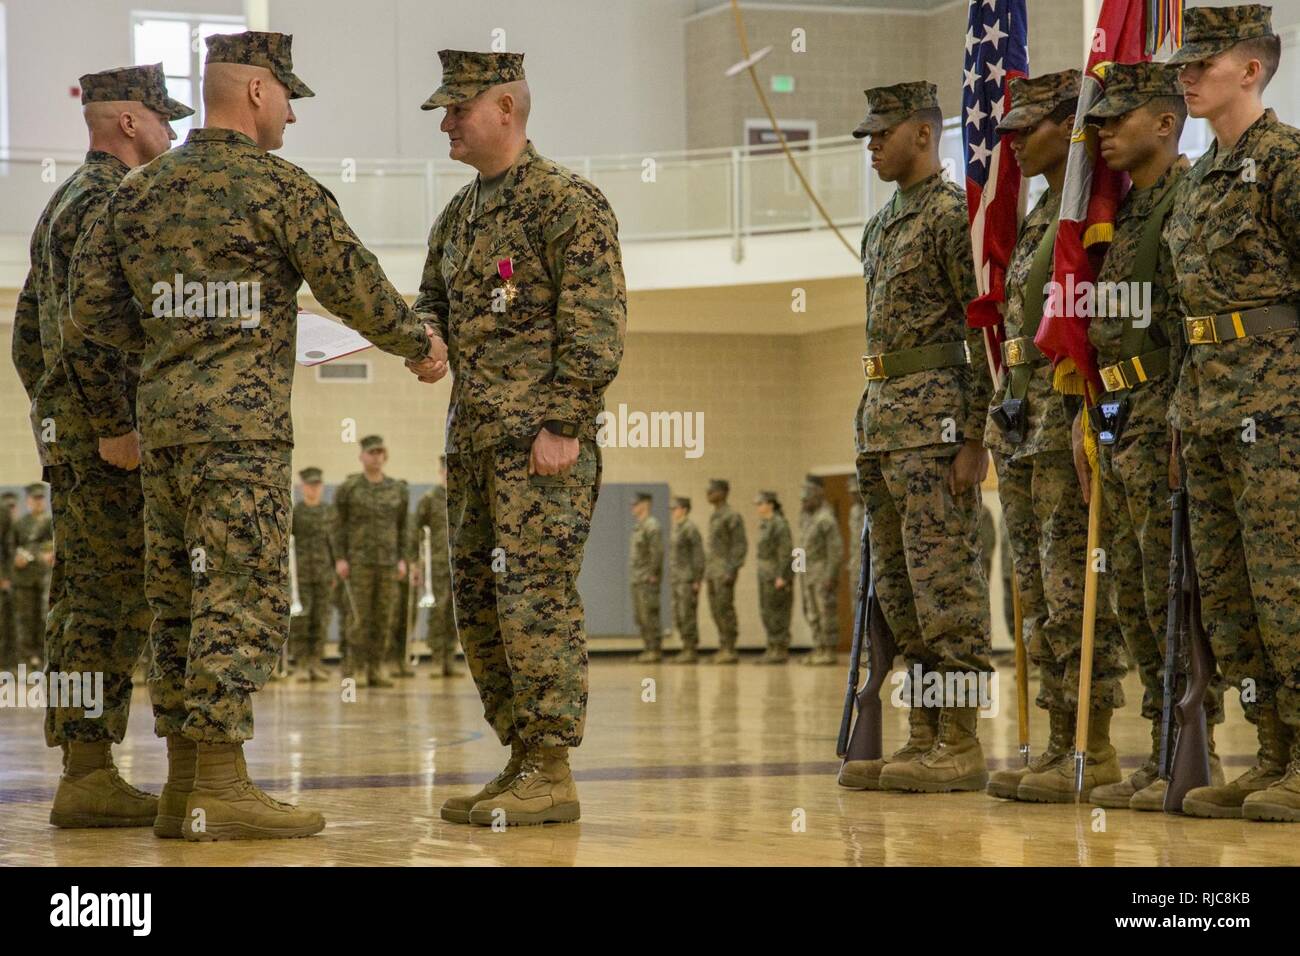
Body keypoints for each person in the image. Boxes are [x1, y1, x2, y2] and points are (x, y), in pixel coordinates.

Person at [64, 31, 446, 842]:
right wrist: (419, 343)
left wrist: (134, 396)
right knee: (240, 599)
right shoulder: (278, 188)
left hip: (162, 437)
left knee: (177, 604)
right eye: (290, 101)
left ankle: (181, 791)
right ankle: (224, 786)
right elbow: (356, 285)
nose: (293, 120)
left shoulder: (134, 196)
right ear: (260, 94)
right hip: (240, 438)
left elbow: (85, 321)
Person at [411, 50, 626, 826]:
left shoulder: (568, 203)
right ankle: (518, 755)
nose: (446, 124)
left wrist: (564, 423)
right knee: (478, 602)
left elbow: (597, 327)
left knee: (534, 602)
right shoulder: (458, 216)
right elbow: (429, 300)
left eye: (457, 110)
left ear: (505, 108)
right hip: (471, 446)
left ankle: (550, 765)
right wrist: (426, 341)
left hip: (540, 447)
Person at [10, 64, 189, 827]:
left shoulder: (60, 206)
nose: (172, 134)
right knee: (102, 604)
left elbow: (27, 339)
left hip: (78, 439)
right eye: (162, 119)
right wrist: (112, 425)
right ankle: (86, 771)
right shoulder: (114, 203)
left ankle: (86, 767)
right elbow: (96, 331)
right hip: (110, 445)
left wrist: (59, 417)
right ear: (127, 121)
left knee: (86, 596)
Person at [1072, 60, 1227, 812]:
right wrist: (1090, 414)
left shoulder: (1189, 197)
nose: (1101, 132)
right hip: (1119, 414)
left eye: (1118, 118)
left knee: (1180, 591)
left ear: (1165, 123)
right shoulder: (1126, 212)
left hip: (1168, 409)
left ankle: (1198, 747)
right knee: (1137, 594)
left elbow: (1194, 319)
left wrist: (1178, 415)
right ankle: (1164, 747)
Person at [837, 82, 993, 794]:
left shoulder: (953, 214)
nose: (871, 145)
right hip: (882, 426)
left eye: (881, 134)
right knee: (900, 596)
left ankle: (960, 740)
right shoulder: (881, 225)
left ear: (924, 135)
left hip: (936, 427)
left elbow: (981, 325)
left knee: (945, 590)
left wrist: (976, 434)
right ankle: (924, 729)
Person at [1164, 4, 1300, 822]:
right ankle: (1273, 753)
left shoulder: (1285, 160)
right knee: (1231, 595)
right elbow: (1191, 311)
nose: (1186, 74)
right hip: (1208, 405)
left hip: (1279, 407)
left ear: (1252, 69)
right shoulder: (1196, 179)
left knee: (1287, 587)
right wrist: (1182, 412)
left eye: (1203, 62)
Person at [980, 72, 1129, 804]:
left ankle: (1092, 745)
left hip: (1062, 416)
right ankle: (1054, 734)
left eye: (1027, 128)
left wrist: (1088, 416)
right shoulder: (1043, 214)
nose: (1011, 141)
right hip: (1021, 422)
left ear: (1067, 128)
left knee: (1072, 583)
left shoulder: (1088, 215)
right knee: (1034, 591)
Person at [334, 436, 410, 686]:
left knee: (384, 616)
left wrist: (403, 559)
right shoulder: (350, 488)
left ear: (384, 456)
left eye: (380, 452)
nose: (376, 457)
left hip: (388, 563)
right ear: (362, 456)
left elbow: (404, 527)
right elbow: (337, 526)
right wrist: (340, 558)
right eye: (371, 452)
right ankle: (355, 668)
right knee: (358, 617)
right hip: (359, 563)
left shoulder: (397, 489)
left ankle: (376, 668)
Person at [412, 455, 461, 678]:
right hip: (436, 566)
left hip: (460, 564)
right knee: (437, 612)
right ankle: (437, 659)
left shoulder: (463, 496)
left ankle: (450, 658)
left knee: (454, 613)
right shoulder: (430, 499)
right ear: (440, 471)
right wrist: (416, 563)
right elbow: (414, 531)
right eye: (446, 470)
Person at [290, 467, 334, 683]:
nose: (313, 489)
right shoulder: (295, 513)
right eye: (309, 485)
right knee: (301, 621)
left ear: (322, 487)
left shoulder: (329, 512)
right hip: (302, 577)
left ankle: (316, 661)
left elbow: (334, 544)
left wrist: (335, 570)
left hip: (324, 574)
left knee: (321, 619)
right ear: (302, 487)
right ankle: (301, 664)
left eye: (316, 485)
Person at [798, 477, 842, 666]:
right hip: (807, 573)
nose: (804, 502)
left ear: (817, 495)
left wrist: (831, 575)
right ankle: (819, 648)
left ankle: (829, 651)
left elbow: (835, 550)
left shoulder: (826, 519)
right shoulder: (807, 518)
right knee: (812, 613)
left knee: (826, 614)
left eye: (806, 498)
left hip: (822, 572)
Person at [704, 478, 747, 664]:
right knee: (716, 610)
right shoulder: (715, 515)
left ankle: (730, 648)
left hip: (724, 571)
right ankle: (723, 647)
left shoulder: (732, 516)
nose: (708, 493)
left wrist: (732, 569)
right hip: (713, 571)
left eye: (712, 490)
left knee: (725, 609)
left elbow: (739, 545)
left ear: (723, 492)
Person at [11, 484, 54, 668]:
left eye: (40, 499)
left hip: (45, 578)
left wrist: (49, 552)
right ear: (27, 501)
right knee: (26, 620)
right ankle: (27, 662)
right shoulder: (20, 524)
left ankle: (45, 660)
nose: (38, 502)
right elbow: (10, 546)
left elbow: (54, 544)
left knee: (45, 619)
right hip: (25, 579)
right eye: (34, 499)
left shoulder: (50, 522)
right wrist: (15, 557)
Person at [754, 491, 793, 664]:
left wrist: (782, 576)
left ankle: (780, 649)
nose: (758, 507)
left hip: (775, 575)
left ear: (770, 504)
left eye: (761, 503)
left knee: (778, 612)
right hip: (765, 574)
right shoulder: (765, 524)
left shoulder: (779, 524)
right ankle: (772, 647)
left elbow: (785, 551)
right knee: (766, 612)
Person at [668, 496, 705, 664]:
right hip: (677, 578)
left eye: (675, 509)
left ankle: (691, 649)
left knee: (687, 614)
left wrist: (697, 578)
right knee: (679, 614)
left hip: (688, 579)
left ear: (683, 509)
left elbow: (698, 555)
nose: (673, 512)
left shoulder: (690, 528)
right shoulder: (678, 528)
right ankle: (685, 647)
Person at [629, 492, 664, 663]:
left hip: (646, 579)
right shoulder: (640, 526)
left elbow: (657, 553)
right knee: (641, 616)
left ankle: (654, 650)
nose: (632, 507)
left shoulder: (652, 526)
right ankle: (648, 648)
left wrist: (653, 574)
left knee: (649, 615)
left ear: (645, 505)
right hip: (638, 578)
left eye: (635, 504)